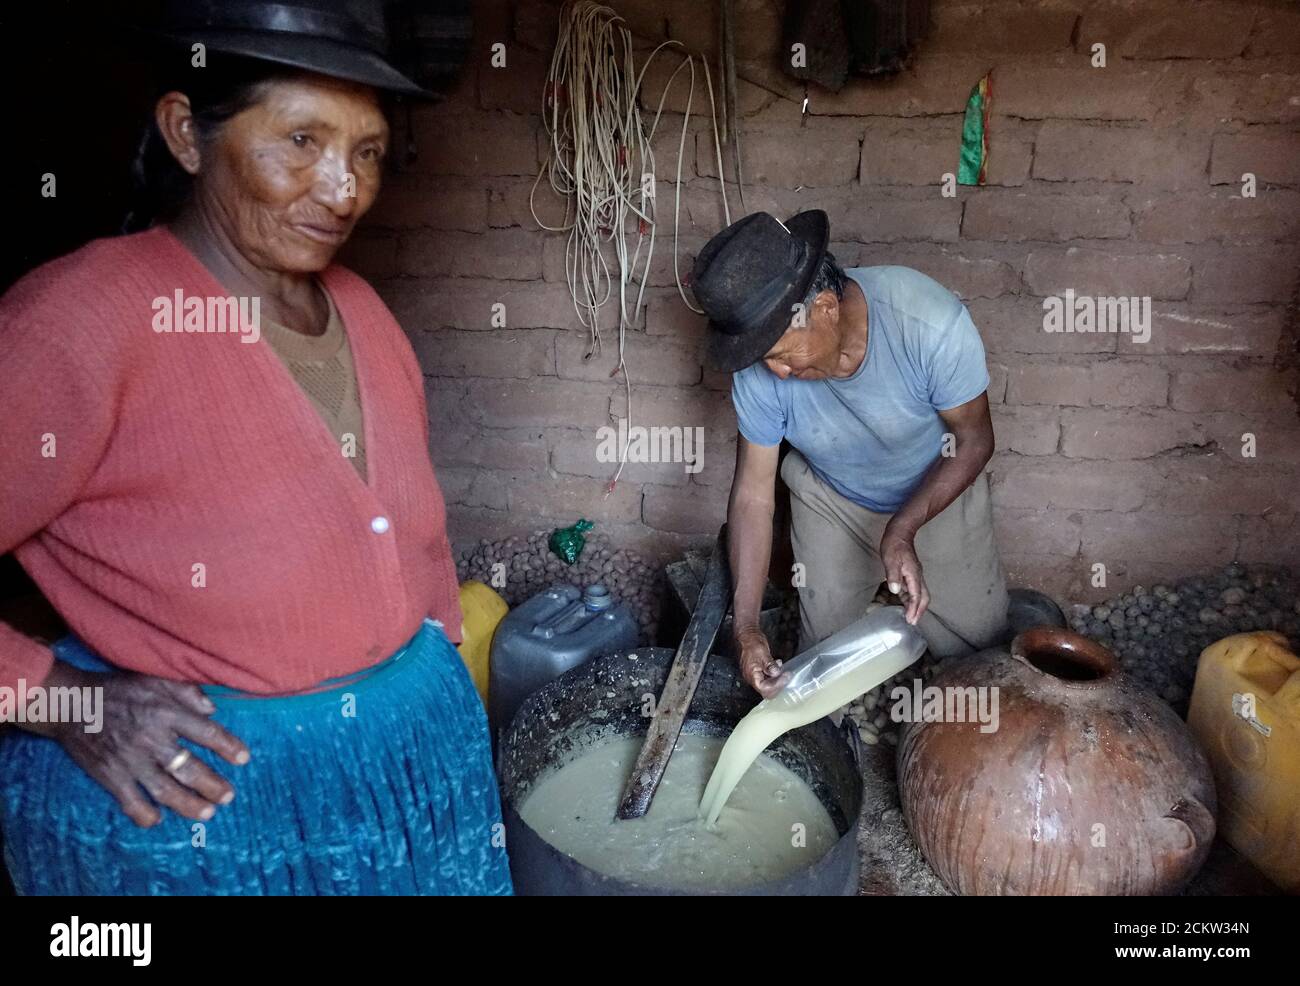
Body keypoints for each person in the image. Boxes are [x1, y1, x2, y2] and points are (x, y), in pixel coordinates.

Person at [0, 0, 511, 895]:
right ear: (186, 136)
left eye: (367, 152)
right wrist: (53, 696)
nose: (345, 189)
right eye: (302, 141)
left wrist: (434, 679)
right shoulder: (79, 327)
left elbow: (415, 543)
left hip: (396, 788)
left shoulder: (364, 313)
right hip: (205, 820)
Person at [691, 210, 1009, 697]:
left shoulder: (928, 323)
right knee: (820, 667)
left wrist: (903, 529)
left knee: (981, 650)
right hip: (831, 498)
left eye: (780, 352)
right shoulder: (759, 372)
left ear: (824, 308)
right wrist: (746, 628)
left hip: (933, 489)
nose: (773, 372)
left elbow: (975, 441)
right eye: (761, 358)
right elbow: (754, 496)